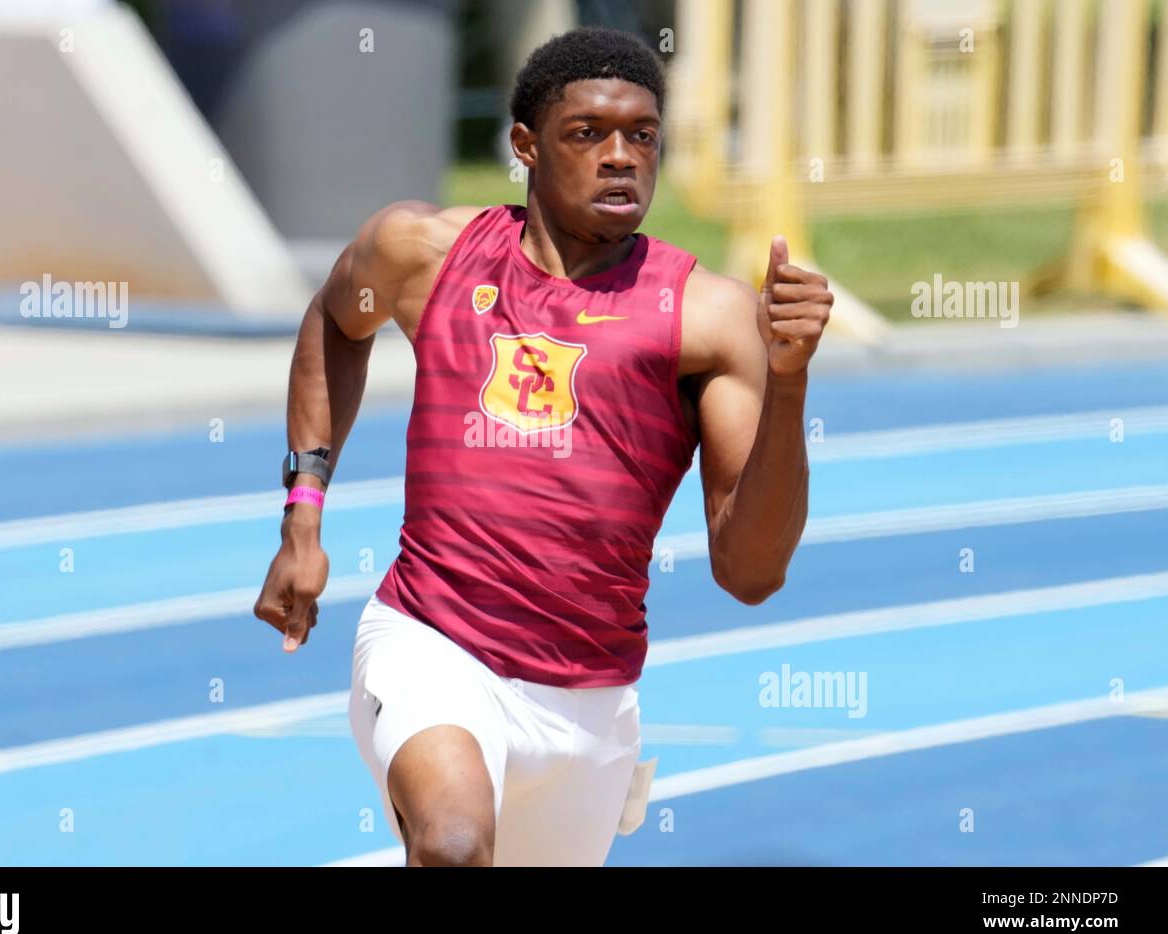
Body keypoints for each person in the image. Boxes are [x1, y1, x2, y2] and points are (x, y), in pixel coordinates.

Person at [254, 26, 832, 866]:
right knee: (452, 844)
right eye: (588, 134)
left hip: (589, 702)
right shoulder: (422, 253)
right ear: (525, 146)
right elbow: (336, 321)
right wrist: (303, 517)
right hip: (433, 640)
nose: (621, 156)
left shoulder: (708, 318)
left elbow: (751, 573)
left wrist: (789, 382)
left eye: (642, 135)